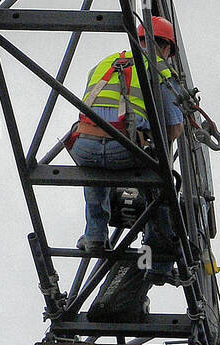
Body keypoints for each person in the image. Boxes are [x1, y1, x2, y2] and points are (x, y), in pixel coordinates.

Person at [70, 18, 184, 261]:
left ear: (139, 39)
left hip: (83, 147)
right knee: (160, 183)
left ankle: (94, 237)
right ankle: (158, 255)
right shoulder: (161, 69)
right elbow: (174, 129)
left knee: (94, 171)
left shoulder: (105, 62)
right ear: (167, 49)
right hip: (122, 152)